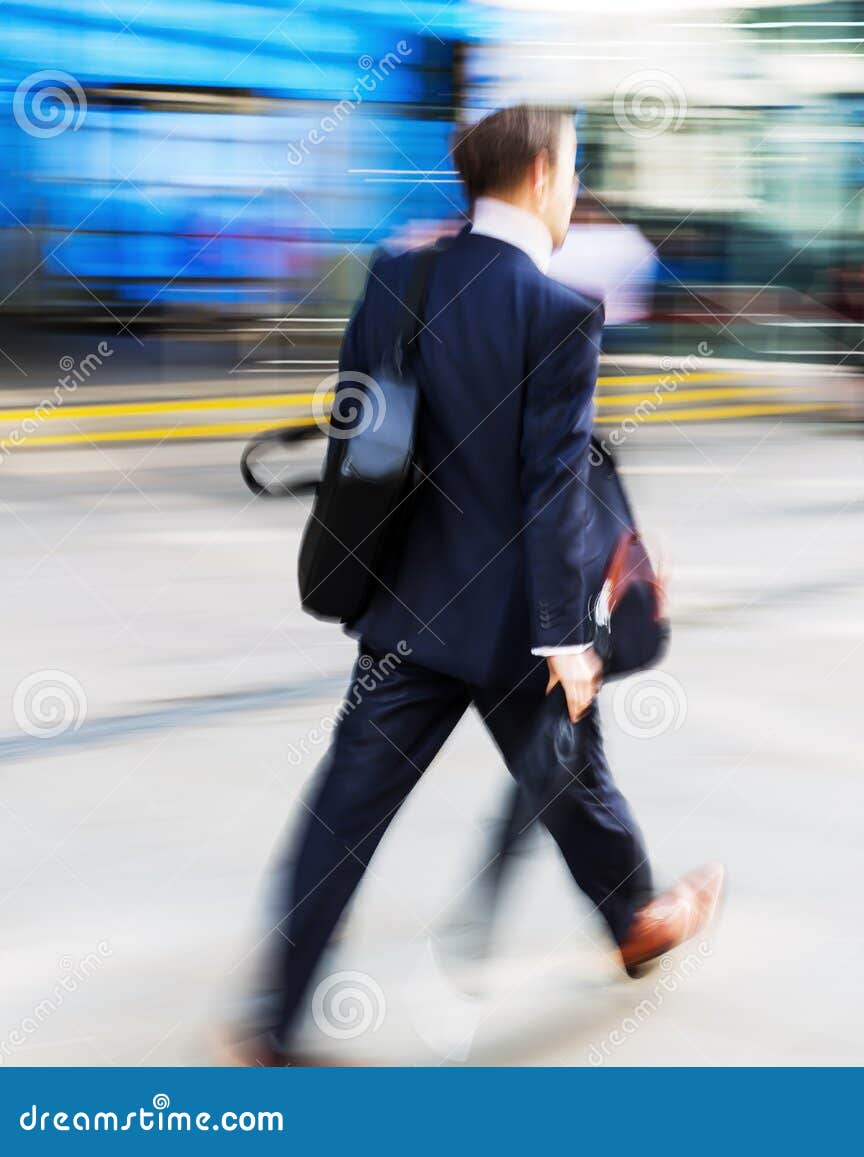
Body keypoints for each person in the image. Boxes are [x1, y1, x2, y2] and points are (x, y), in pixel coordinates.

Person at [229, 104, 723, 1064]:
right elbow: (548, 488)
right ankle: (635, 921)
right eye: (574, 170)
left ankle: (270, 1020)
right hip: (511, 633)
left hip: (404, 612)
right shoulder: (560, 312)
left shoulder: (396, 277)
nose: (576, 189)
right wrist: (564, 636)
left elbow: (361, 437)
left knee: (346, 812)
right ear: (540, 175)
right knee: (572, 775)